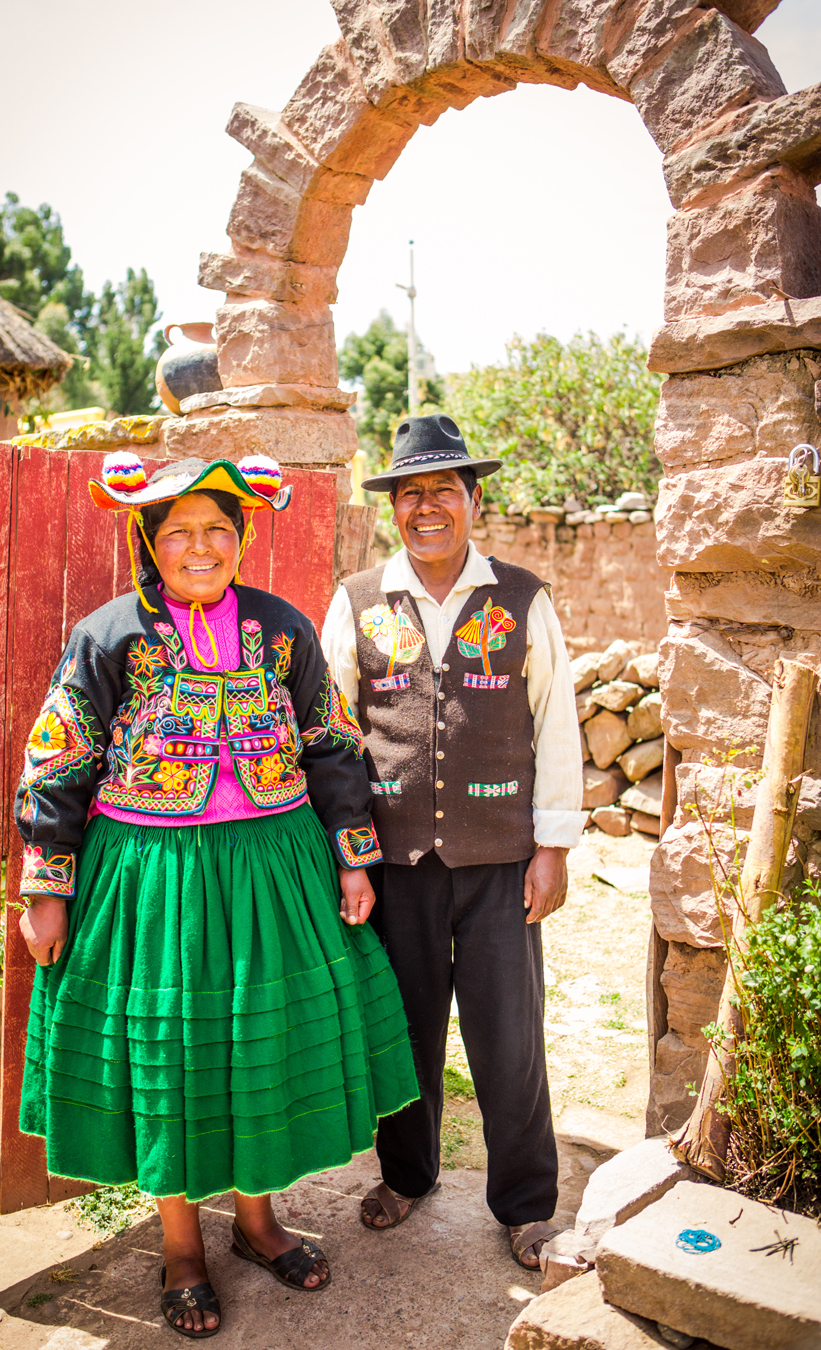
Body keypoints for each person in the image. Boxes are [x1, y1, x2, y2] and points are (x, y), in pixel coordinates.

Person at [16, 453, 418, 1339]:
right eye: (179, 534)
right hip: (152, 877)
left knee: (256, 1041)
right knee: (174, 1048)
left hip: (274, 867)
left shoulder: (280, 630)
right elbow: (60, 760)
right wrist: (47, 885)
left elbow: (331, 743)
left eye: (218, 531)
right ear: (148, 545)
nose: (201, 547)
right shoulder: (109, 634)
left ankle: (259, 1222)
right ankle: (181, 1246)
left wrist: (353, 858)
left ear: (238, 541)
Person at [321, 414, 587, 1270]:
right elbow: (333, 732)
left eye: (442, 490)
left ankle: (525, 1204)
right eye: (409, 494)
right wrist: (349, 848)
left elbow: (557, 727)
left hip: (502, 860)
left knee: (510, 1038)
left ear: (473, 499)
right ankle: (408, 1175)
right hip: (395, 866)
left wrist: (553, 847)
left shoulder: (522, 597)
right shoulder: (359, 599)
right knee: (405, 1028)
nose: (426, 507)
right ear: (393, 508)